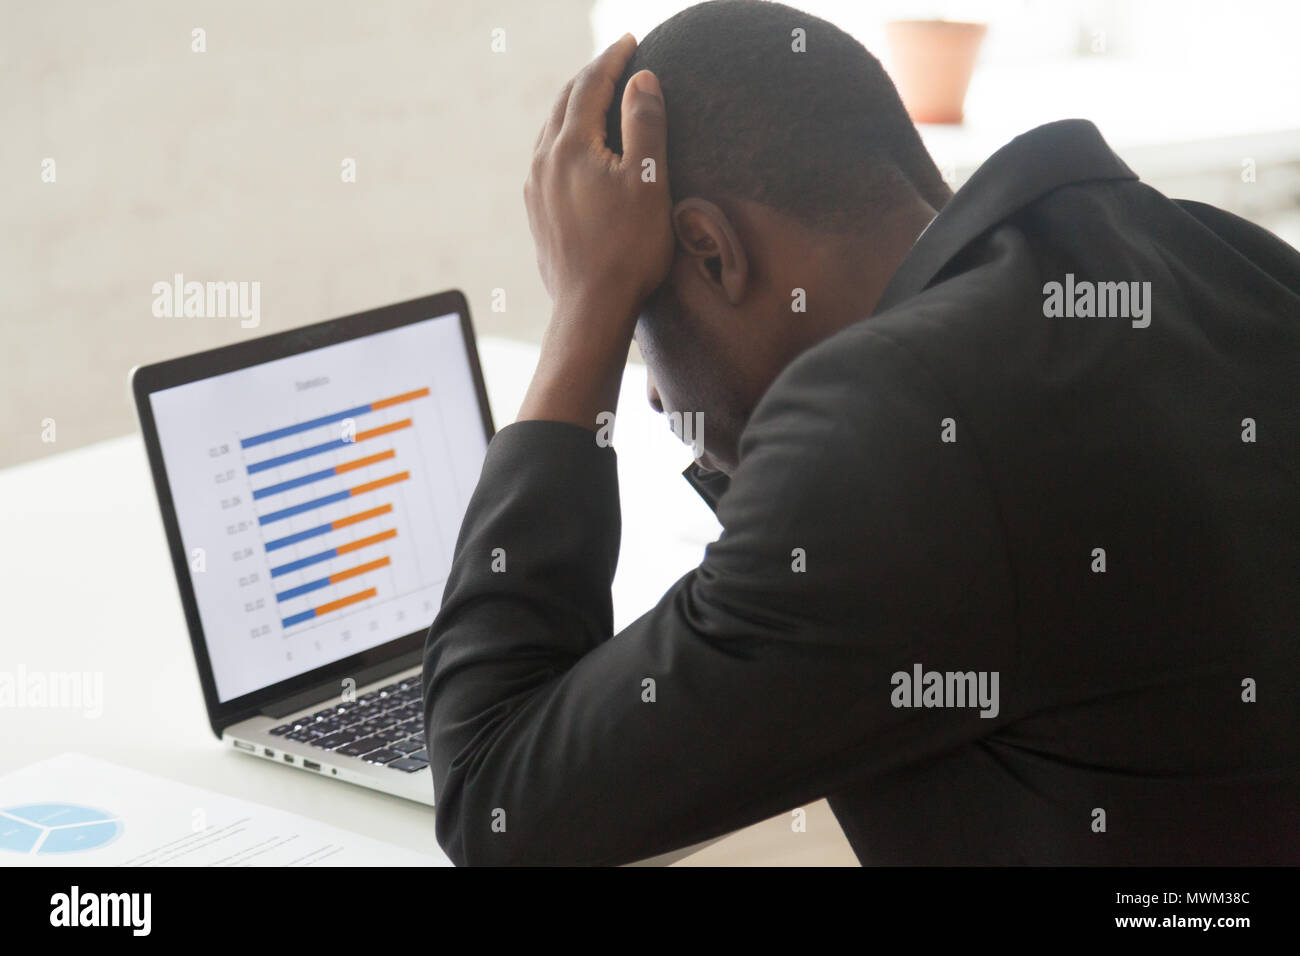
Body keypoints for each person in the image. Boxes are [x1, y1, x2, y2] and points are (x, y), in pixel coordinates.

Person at [422, 0, 1300, 865]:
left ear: (711, 249)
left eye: (640, 330)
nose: (652, 401)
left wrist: (582, 312)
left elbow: (494, 798)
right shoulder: (1210, 251)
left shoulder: (888, 432)